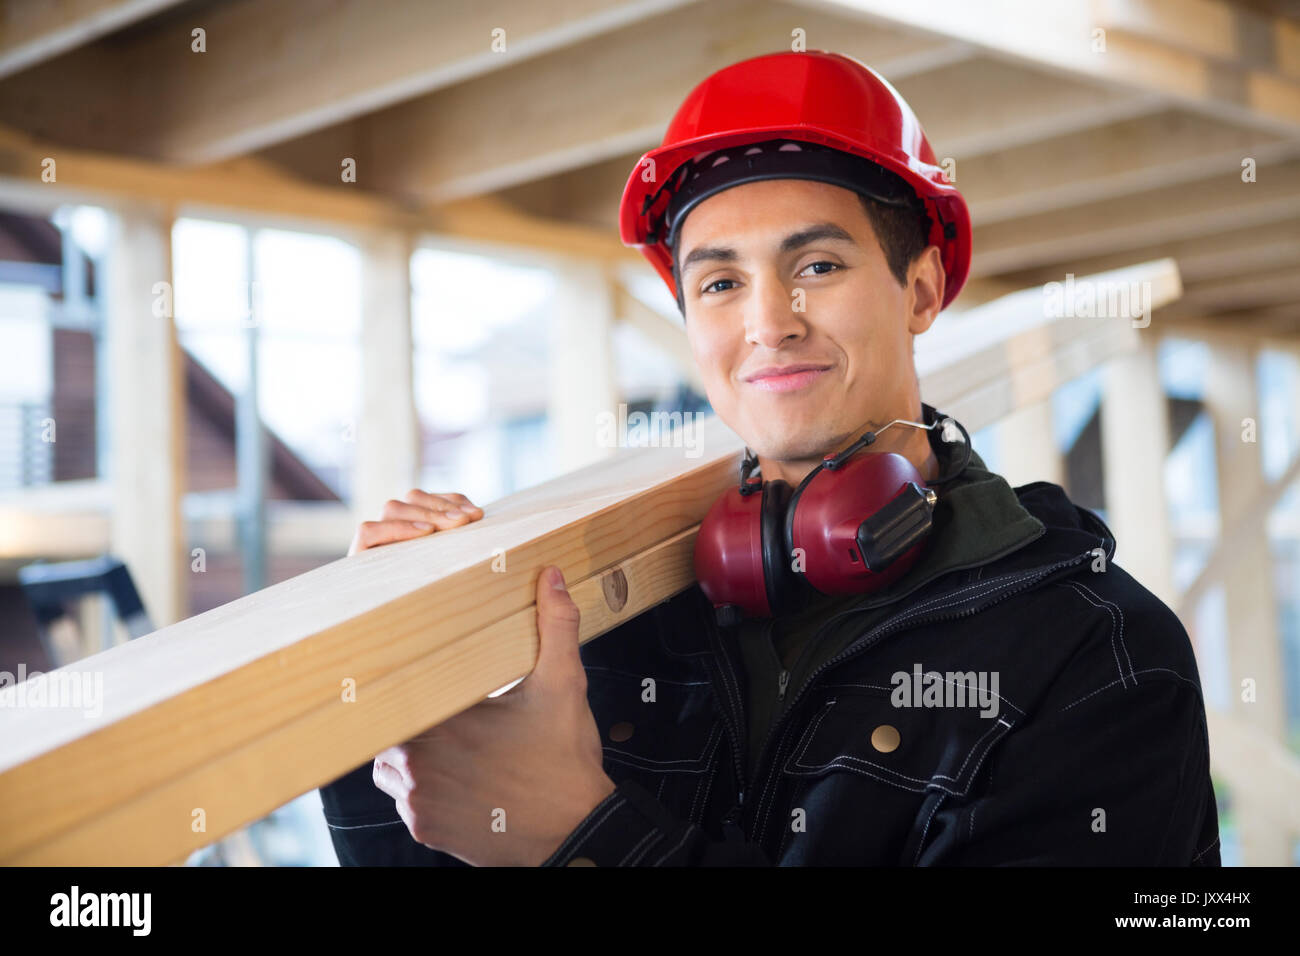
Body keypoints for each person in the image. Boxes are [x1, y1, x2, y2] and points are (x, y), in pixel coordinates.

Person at [318, 50, 1220, 866]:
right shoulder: (625, 614)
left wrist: (590, 838)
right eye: (720, 284)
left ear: (922, 287)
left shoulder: (1097, 655)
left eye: (818, 266)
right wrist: (380, 680)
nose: (768, 323)